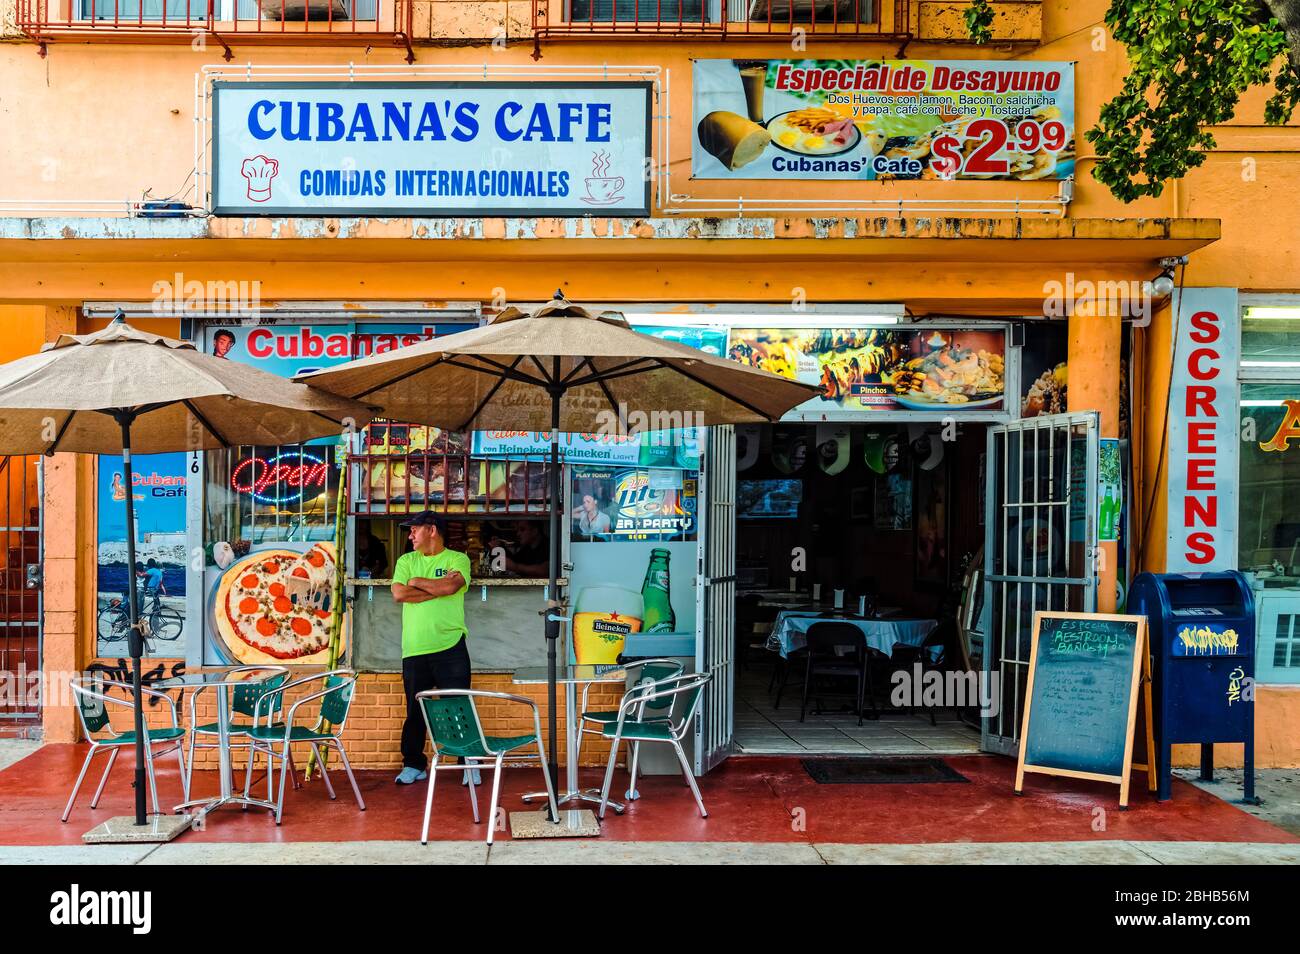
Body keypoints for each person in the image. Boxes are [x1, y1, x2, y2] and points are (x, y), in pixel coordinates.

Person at [390, 512, 477, 786]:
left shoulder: (457, 558)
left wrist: (417, 582)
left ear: (432, 530)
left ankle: (468, 764)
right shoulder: (406, 560)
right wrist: (436, 589)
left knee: (458, 708)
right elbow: (399, 594)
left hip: (451, 645)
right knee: (416, 712)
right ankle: (414, 764)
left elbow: (453, 585)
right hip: (414, 648)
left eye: (414, 530)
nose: (410, 535)